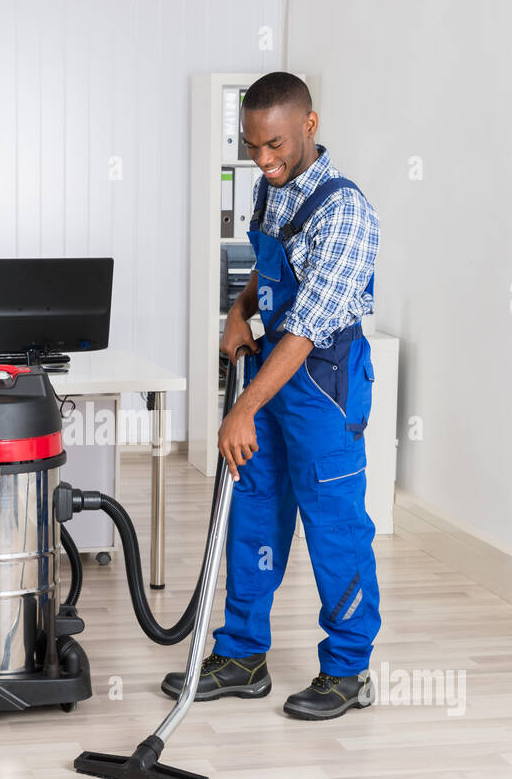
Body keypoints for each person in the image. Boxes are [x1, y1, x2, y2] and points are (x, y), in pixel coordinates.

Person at [163, 72, 381, 719]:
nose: (264, 160)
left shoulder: (347, 214)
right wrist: (240, 308)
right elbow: (269, 265)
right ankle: (241, 656)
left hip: (322, 387)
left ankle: (348, 669)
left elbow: (308, 327)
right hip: (271, 376)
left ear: (310, 126)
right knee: (254, 514)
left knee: (335, 527)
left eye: (276, 145)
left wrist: (243, 408)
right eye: (253, 146)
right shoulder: (271, 186)